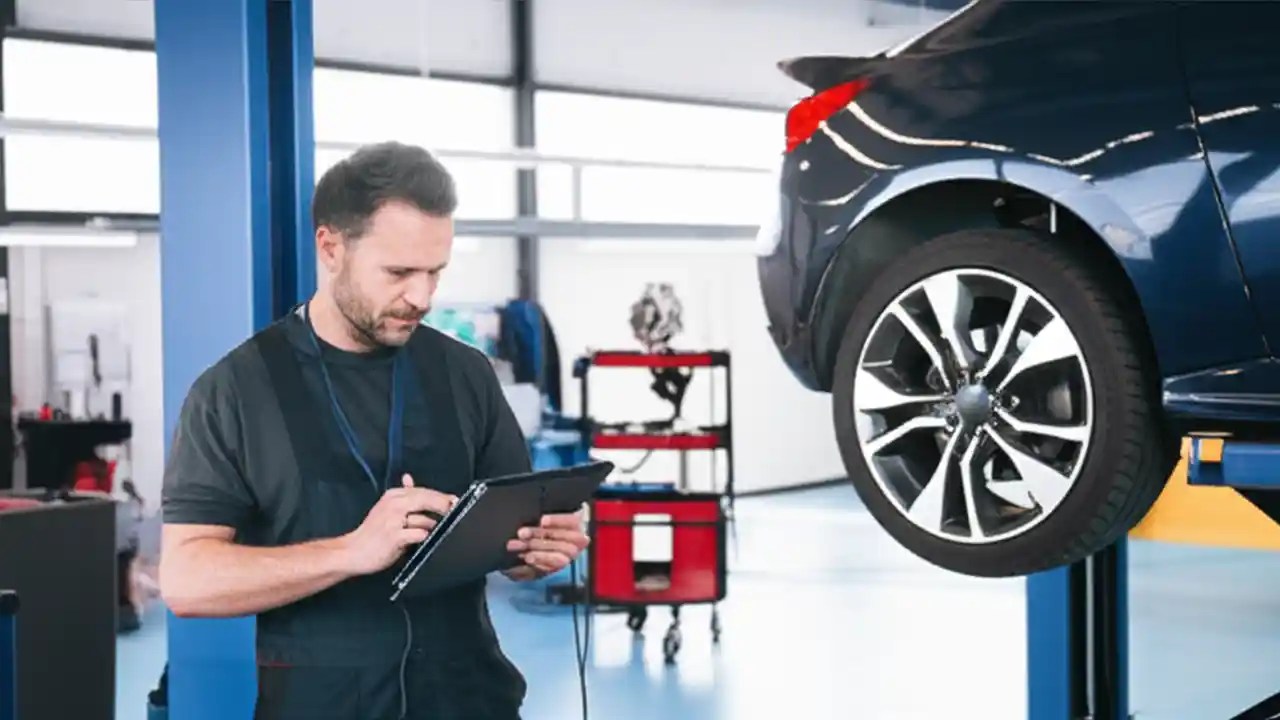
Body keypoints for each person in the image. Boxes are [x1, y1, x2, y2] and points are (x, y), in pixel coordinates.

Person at [159, 141, 589, 720]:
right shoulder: (236, 391)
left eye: (435, 272)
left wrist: (534, 549)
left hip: (471, 700)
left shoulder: (465, 374)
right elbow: (187, 581)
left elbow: (509, 545)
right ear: (331, 247)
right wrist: (350, 552)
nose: (422, 297)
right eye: (399, 273)